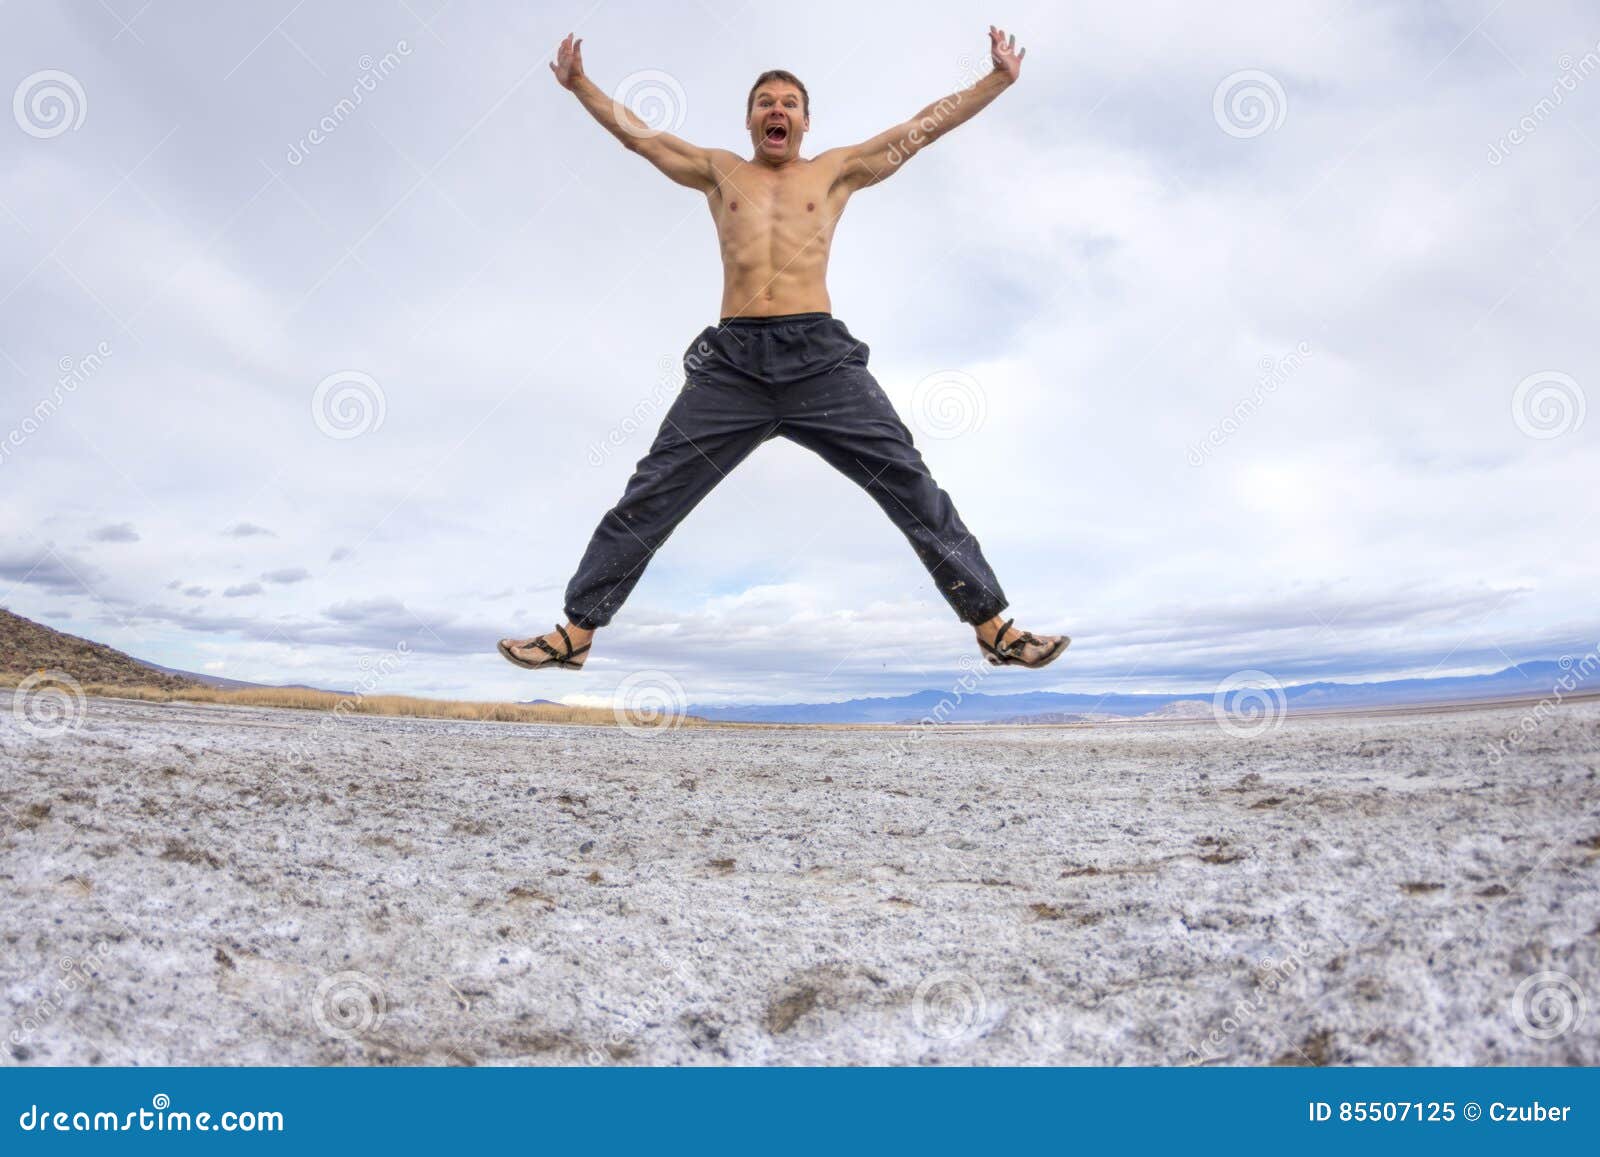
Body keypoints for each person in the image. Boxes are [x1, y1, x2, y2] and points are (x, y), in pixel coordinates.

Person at [500, 27, 1067, 673]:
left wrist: (995, 80)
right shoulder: (719, 171)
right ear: (749, 119)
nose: (777, 109)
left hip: (821, 359)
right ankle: (576, 630)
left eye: (789, 102)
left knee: (909, 482)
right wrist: (580, 85)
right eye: (765, 101)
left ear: (804, 120)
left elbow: (923, 126)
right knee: (652, 490)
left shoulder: (834, 171)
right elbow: (641, 136)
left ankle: (993, 626)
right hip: (733, 365)